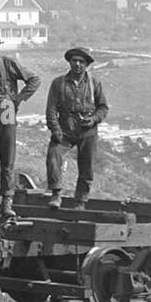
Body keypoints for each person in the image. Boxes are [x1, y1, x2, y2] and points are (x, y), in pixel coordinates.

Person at [0, 27, 40, 217]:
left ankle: (6, 203)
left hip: (6, 108)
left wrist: (18, 99)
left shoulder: (8, 64)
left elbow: (34, 79)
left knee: (7, 159)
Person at [44, 46, 109, 209]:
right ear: (69, 62)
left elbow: (103, 107)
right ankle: (56, 194)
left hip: (88, 130)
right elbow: (51, 109)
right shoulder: (58, 83)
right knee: (53, 154)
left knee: (87, 165)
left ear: (87, 64)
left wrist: (93, 119)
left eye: (81, 61)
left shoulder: (94, 83)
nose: (78, 64)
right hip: (65, 129)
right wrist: (55, 129)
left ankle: (81, 201)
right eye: (74, 60)